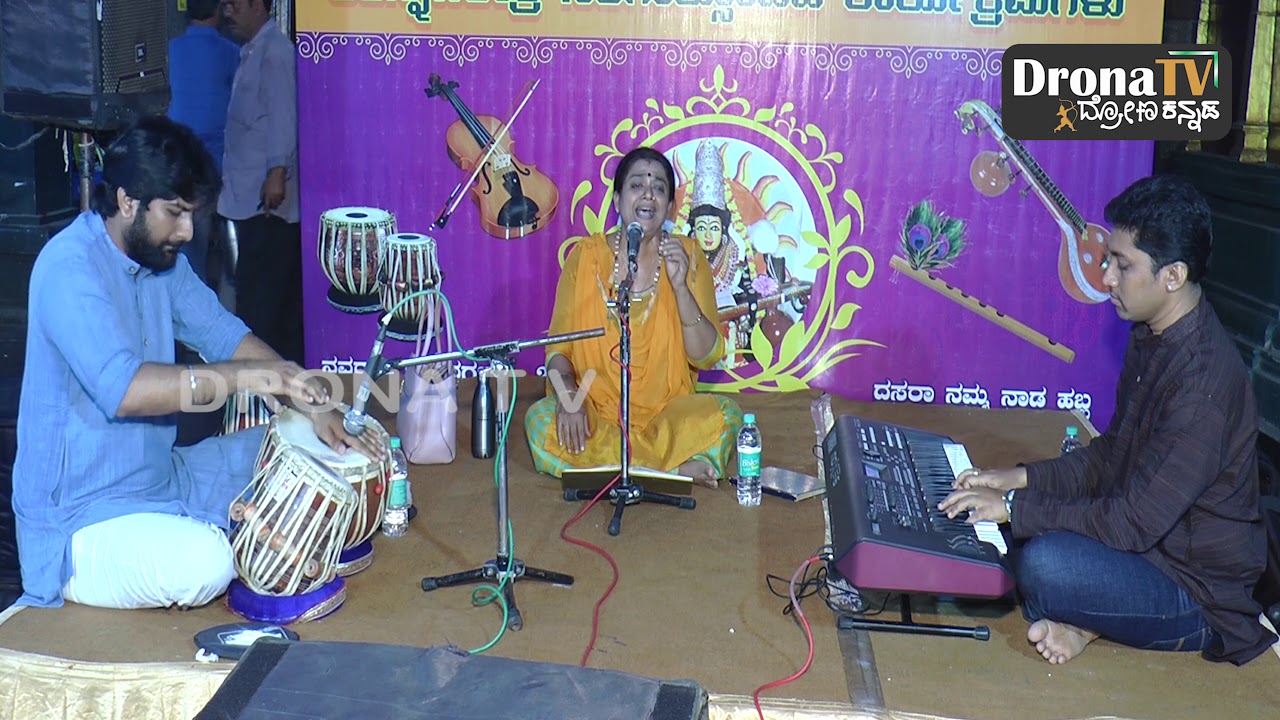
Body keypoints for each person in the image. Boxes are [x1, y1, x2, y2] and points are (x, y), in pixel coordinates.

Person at [12, 116, 382, 612]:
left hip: (165, 478)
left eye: (192, 214)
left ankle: (228, 526)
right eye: (175, 213)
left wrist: (306, 399)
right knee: (206, 562)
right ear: (126, 201)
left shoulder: (163, 262)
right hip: (82, 524)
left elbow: (224, 334)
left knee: (307, 453)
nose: (187, 230)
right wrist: (252, 378)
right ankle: (225, 536)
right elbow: (127, 390)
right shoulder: (68, 269)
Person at [939, 174, 1277, 666]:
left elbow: (1131, 523)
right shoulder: (1154, 333)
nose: (1108, 278)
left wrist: (1014, 505)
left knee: (1043, 563)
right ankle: (1088, 621)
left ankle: (1091, 620)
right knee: (1014, 534)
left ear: (1173, 276)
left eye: (1122, 265)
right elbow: (1111, 453)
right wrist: (1019, 477)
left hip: (1196, 593)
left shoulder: (1202, 385)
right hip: (1147, 547)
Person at [524, 147, 743, 488]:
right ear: (617, 200)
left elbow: (706, 354)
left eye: (658, 188)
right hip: (596, 412)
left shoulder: (689, 256)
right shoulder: (585, 257)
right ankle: (665, 472)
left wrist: (681, 287)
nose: (647, 194)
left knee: (728, 416)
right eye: (637, 184)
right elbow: (557, 353)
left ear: (670, 207)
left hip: (666, 416)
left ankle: (614, 470)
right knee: (539, 421)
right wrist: (569, 401)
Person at [220, 0, 304, 365]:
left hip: (268, 199)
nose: (227, 12)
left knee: (265, 297)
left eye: (234, 4)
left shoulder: (276, 52)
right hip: (250, 195)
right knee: (258, 291)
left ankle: (266, 376)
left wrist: (276, 174)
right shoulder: (252, 50)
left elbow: (285, 118)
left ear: (258, 6)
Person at [167, 0, 240, 288]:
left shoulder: (171, 51)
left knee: (189, 249)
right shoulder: (231, 54)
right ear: (219, 9)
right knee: (229, 251)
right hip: (220, 167)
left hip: (178, 165)